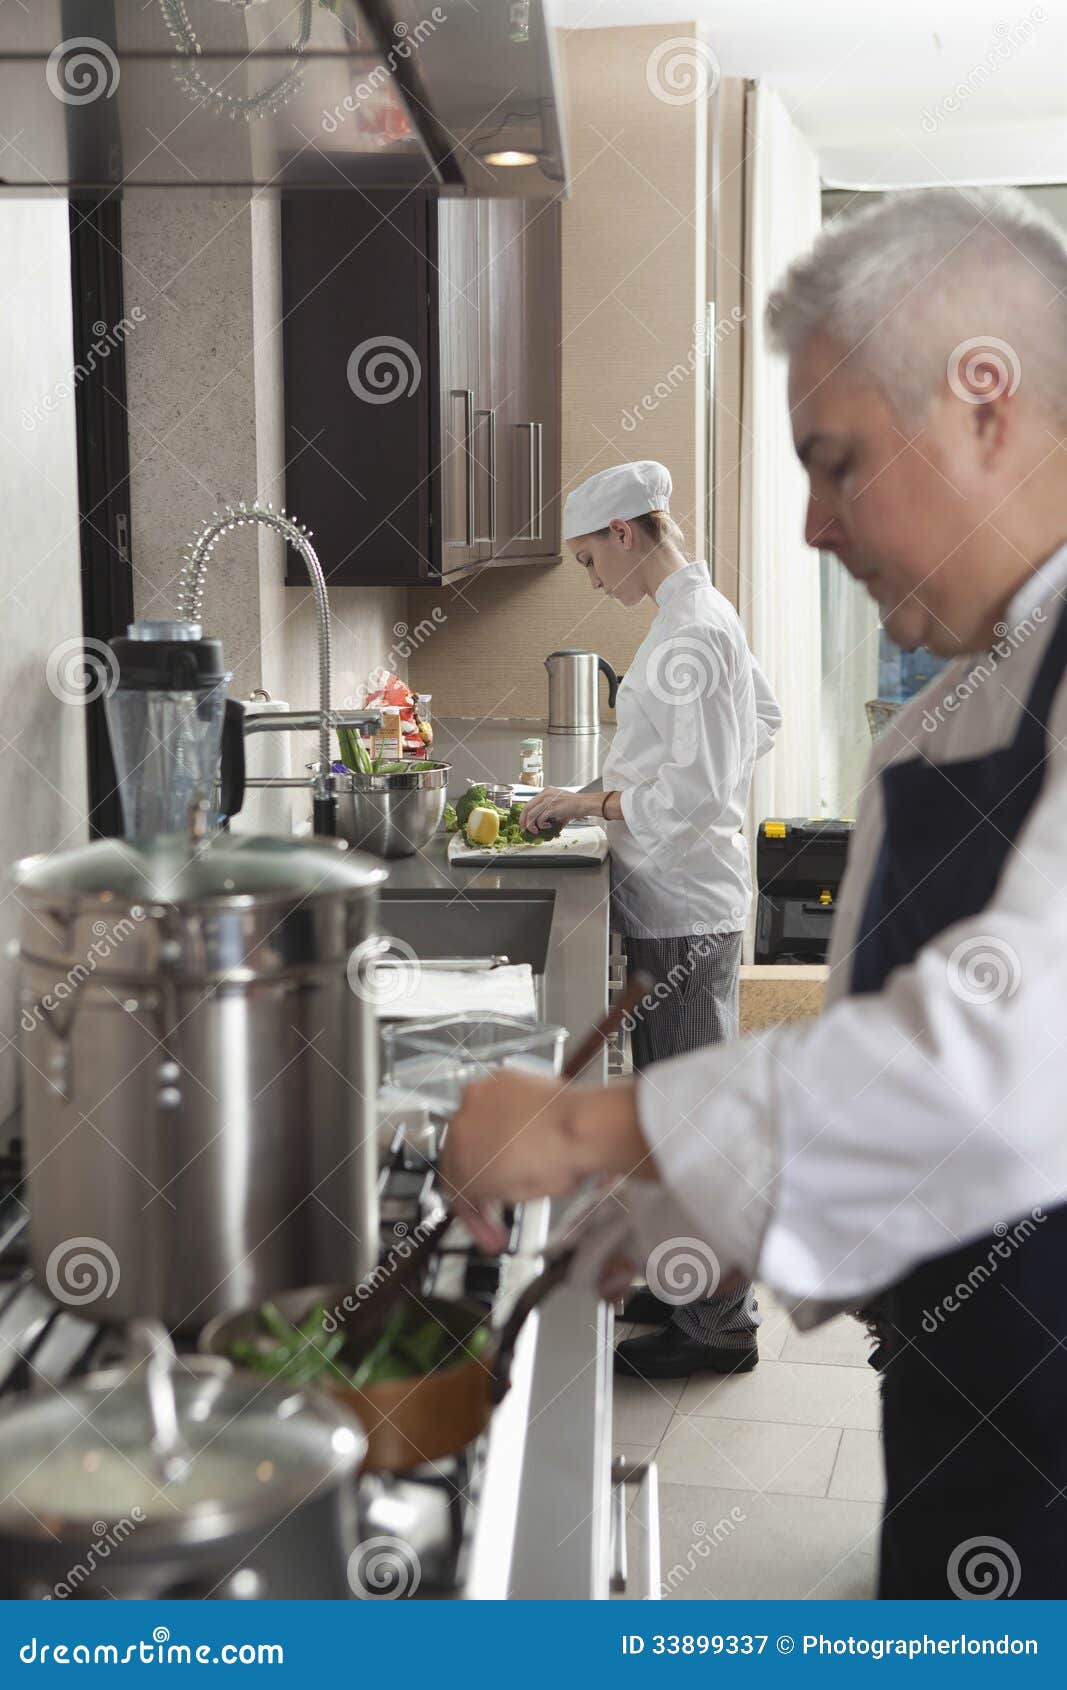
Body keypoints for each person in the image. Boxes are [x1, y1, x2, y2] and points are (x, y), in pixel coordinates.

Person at [443, 185, 1067, 1598]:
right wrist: (666, 1216)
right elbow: (893, 1078)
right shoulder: (958, 702)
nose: (807, 526)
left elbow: (1003, 1048)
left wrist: (591, 1122)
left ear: (984, 408)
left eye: (838, 463)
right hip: (969, 1397)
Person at [518, 461, 781, 1379]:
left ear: (625, 535)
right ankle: (686, 1294)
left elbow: (699, 789)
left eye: (591, 561)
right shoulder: (698, 617)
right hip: (683, 895)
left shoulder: (689, 633)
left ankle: (719, 1328)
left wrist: (592, 803)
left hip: (685, 905)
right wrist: (605, 796)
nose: (593, 581)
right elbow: (766, 718)